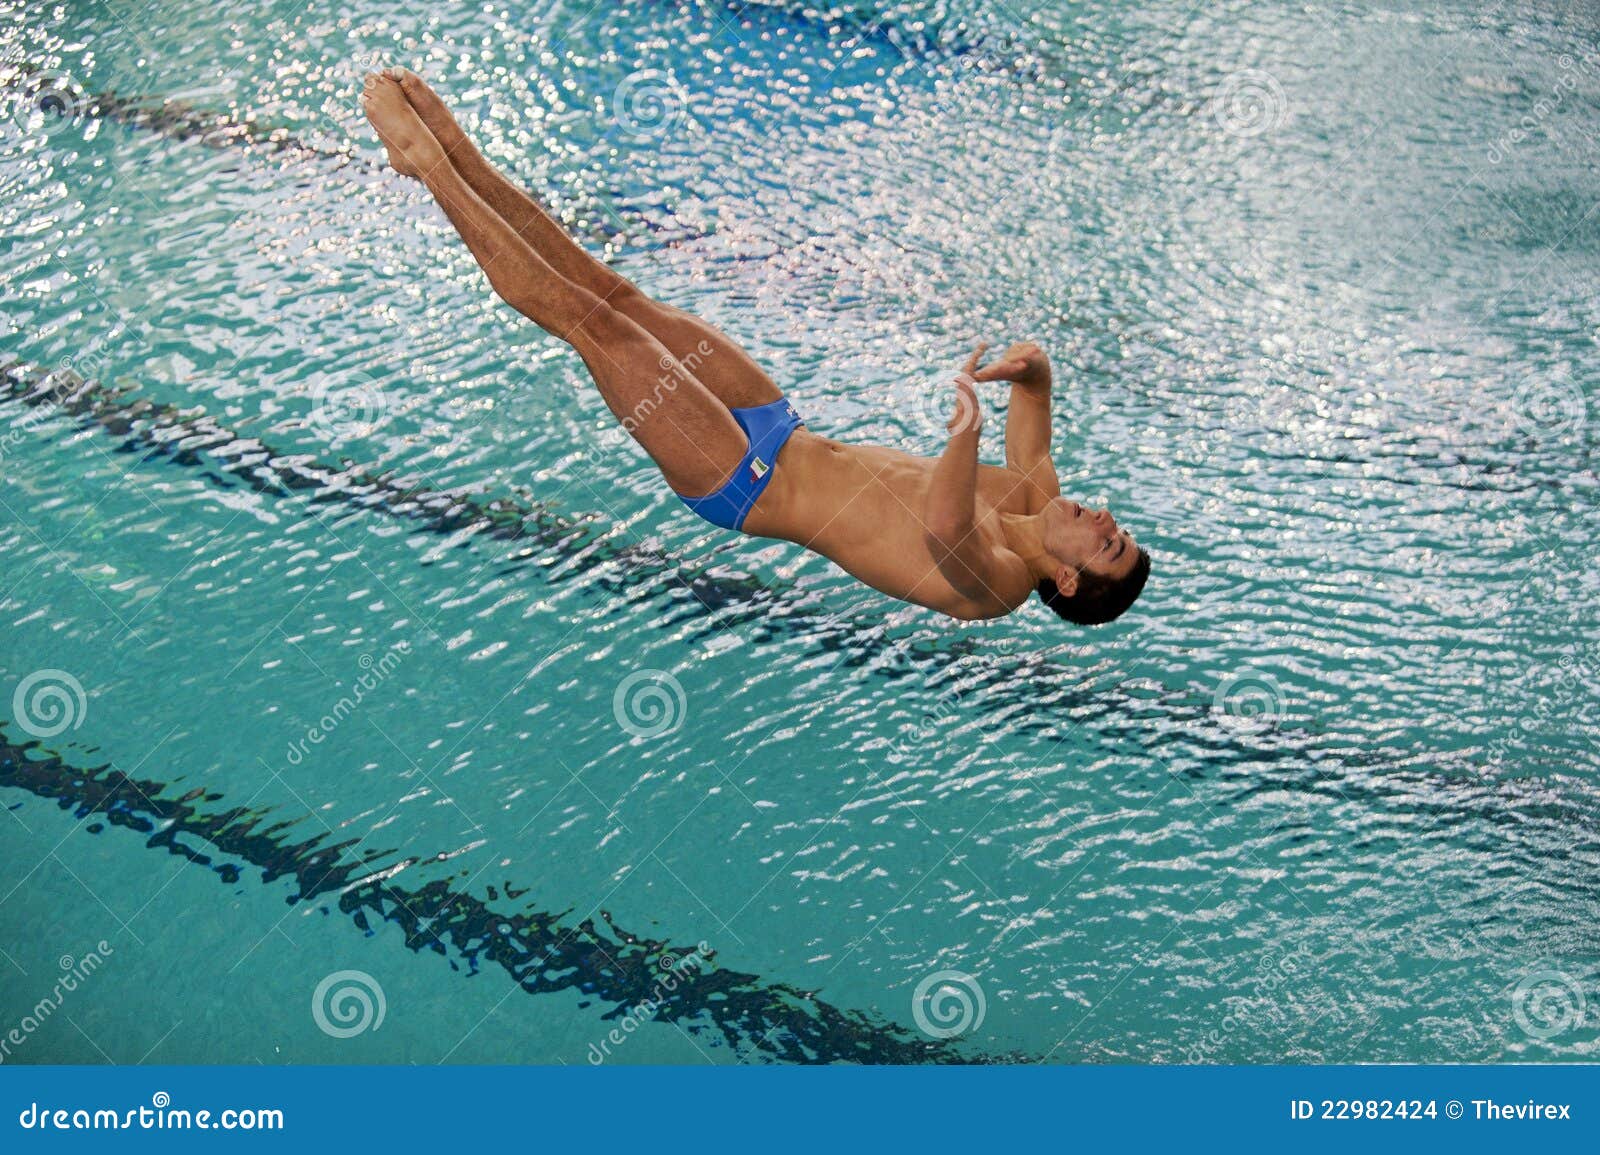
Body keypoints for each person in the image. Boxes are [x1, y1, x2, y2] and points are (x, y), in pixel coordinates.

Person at [360, 70, 1149, 624]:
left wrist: (965, 429)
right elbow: (1036, 396)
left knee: (591, 325)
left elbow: (946, 528)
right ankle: (456, 150)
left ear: (1068, 579)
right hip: (780, 427)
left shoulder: (997, 585)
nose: (1105, 518)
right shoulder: (1034, 492)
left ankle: (427, 167)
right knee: (618, 297)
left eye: (1108, 543)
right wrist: (1030, 369)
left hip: (742, 481)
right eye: (1117, 526)